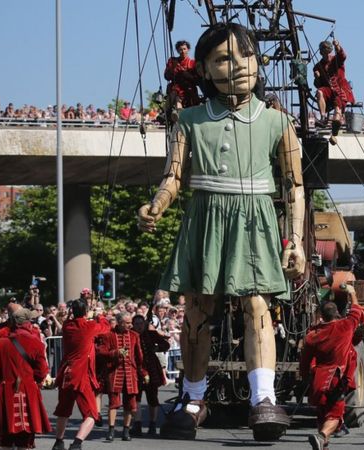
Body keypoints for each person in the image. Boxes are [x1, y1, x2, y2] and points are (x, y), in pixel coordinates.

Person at [138, 22, 306, 442]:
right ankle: (193, 399)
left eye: (245, 55)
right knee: (197, 311)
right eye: (223, 59)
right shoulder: (189, 121)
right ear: (205, 70)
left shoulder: (276, 123)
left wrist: (297, 241)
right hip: (206, 216)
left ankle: (263, 399)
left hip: (255, 218)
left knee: (257, 308)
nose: (238, 65)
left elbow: (295, 187)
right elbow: (173, 176)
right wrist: (156, 205)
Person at [300, 285, 364, 450]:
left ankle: (323, 444)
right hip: (337, 378)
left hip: (318, 378)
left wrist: (305, 377)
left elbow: (305, 361)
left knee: (322, 414)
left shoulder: (312, 335)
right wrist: (352, 292)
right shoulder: (345, 326)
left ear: (321, 315)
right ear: (336, 313)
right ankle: (321, 437)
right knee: (335, 415)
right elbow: (356, 310)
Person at [51, 299, 112, 450]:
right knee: (92, 414)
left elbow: (76, 321)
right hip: (82, 374)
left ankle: (59, 441)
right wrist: (100, 315)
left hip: (67, 373)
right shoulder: (88, 326)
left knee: (63, 411)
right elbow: (106, 327)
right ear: (85, 312)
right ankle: (77, 443)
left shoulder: (67, 325)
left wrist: (88, 315)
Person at [0, 307, 52, 450]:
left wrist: (6, 374)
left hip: (6, 392)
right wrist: (31, 378)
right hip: (28, 390)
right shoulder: (36, 343)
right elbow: (42, 371)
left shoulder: (0, 343)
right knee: (25, 439)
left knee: (5, 439)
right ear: (28, 323)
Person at [101, 312, 145, 442]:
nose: (130, 325)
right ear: (119, 323)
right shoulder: (108, 336)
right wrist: (116, 353)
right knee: (113, 403)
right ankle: (111, 430)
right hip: (115, 373)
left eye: (130, 322)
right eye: (127, 323)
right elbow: (101, 352)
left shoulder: (134, 336)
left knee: (130, 404)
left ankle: (126, 431)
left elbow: (139, 357)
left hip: (130, 373)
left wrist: (143, 372)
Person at [130, 314, 170, 436]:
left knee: (153, 398)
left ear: (145, 324)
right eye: (136, 324)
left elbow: (166, 345)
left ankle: (152, 424)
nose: (139, 326)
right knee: (135, 397)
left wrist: (156, 349)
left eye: (141, 323)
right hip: (135, 368)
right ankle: (137, 424)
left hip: (151, 368)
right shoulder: (130, 335)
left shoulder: (151, 334)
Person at [313, 38, 355, 129]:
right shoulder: (318, 66)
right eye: (324, 52)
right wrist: (317, 78)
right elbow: (318, 84)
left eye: (328, 52)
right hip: (329, 91)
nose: (327, 54)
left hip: (341, 88)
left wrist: (337, 45)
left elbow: (342, 55)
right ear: (321, 53)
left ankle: (337, 121)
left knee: (338, 101)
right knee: (319, 92)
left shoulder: (336, 59)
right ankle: (323, 117)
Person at [164, 40, 200, 110]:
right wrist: (172, 69)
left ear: (188, 49)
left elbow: (198, 80)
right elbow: (166, 76)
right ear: (177, 51)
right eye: (180, 49)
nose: (183, 51)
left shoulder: (192, 63)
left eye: (184, 49)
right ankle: (168, 112)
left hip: (188, 90)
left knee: (177, 94)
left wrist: (186, 74)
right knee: (174, 92)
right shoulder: (172, 61)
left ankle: (175, 111)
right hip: (175, 88)